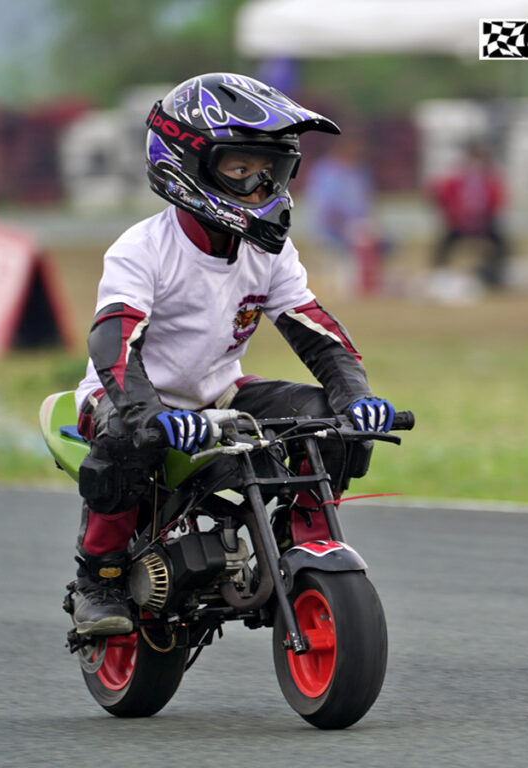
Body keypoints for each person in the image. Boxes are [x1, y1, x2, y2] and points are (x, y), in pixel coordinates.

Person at [69, 73, 396, 637]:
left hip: (219, 391)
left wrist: (357, 397)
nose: (261, 186)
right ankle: (98, 578)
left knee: (328, 419)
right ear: (187, 165)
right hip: (129, 397)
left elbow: (316, 332)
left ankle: (304, 545)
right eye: (241, 169)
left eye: (271, 171)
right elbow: (114, 344)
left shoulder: (267, 251)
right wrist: (150, 415)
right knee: (124, 440)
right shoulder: (142, 249)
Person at [303, 135, 382, 296]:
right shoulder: (325, 171)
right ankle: (357, 285)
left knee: (374, 237)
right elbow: (325, 206)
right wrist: (344, 225)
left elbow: (365, 203)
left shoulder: (358, 171)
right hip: (333, 227)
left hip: (356, 225)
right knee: (360, 237)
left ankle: (368, 284)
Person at [429, 140, 509, 288]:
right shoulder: (456, 177)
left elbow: (498, 198)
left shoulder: (490, 178)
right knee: (443, 245)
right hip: (459, 222)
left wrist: (488, 215)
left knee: (501, 244)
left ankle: (496, 275)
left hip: (484, 222)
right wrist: (452, 215)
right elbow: (441, 194)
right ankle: (440, 276)